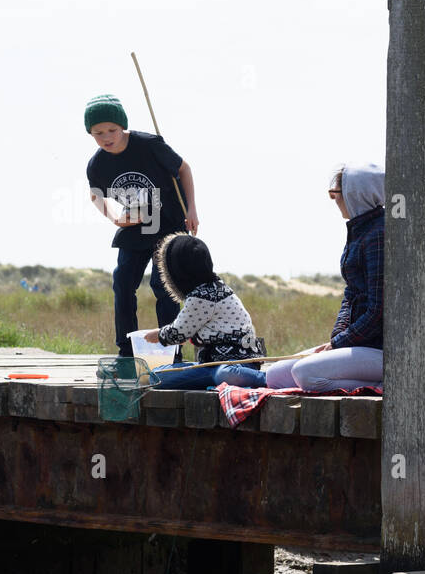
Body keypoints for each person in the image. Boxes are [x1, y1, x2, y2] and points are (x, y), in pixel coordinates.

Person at [228, 163, 386, 392]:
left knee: (305, 373)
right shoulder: (358, 230)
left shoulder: (378, 234)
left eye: (336, 194)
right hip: (356, 344)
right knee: (275, 375)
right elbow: (351, 293)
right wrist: (337, 337)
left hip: (377, 349)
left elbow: (377, 309)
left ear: (355, 194)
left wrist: (339, 343)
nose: (334, 200)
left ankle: (382, 385)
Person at [85, 94, 200, 357]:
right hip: (135, 225)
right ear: (90, 133)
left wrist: (192, 209)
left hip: (169, 222)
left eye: (112, 130)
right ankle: (126, 351)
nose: (106, 137)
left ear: (122, 126)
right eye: (98, 133)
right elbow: (95, 195)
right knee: (123, 282)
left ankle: (172, 351)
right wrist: (115, 218)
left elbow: (184, 169)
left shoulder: (149, 144)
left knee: (163, 287)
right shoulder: (97, 164)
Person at [143, 234, 263, 390]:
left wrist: (158, 335)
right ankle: (217, 380)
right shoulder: (217, 286)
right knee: (156, 375)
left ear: (179, 271)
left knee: (225, 373)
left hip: (236, 364)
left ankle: (264, 379)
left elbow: (179, 333)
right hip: (211, 365)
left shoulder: (201, 296)